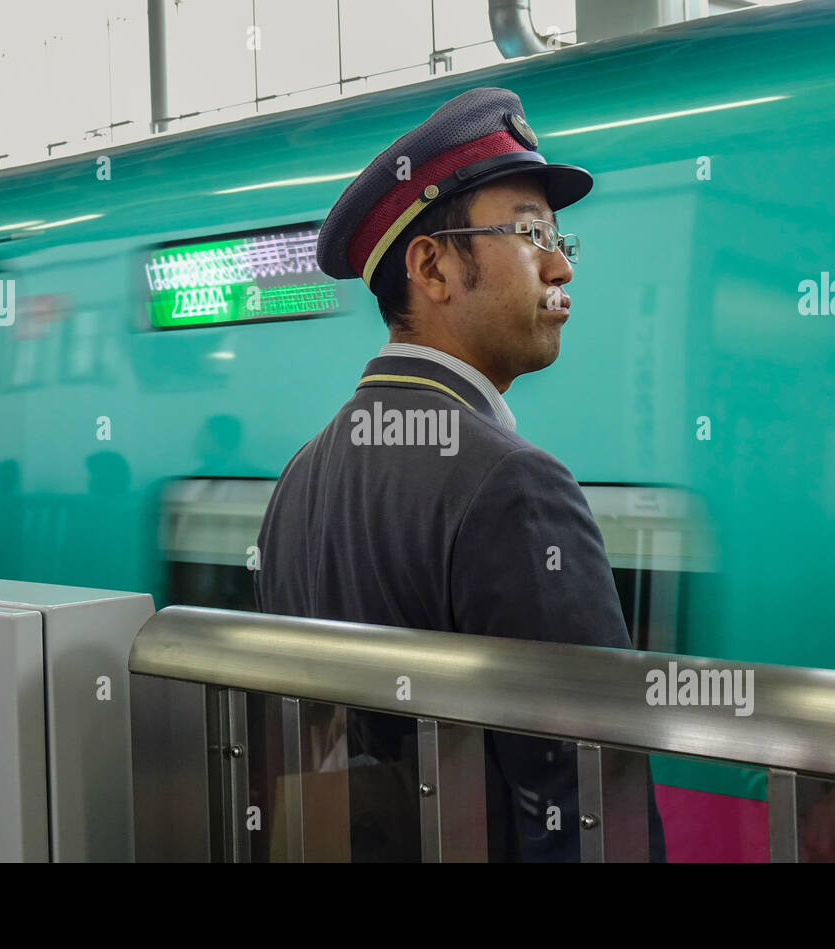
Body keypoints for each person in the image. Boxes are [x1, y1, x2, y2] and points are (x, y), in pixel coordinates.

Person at [254, 87, 664, 862]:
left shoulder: (299, 479)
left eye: (561, 236)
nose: (560, 262)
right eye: (529, 232)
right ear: (433, 266)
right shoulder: (514, 484)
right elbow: (589, 798)